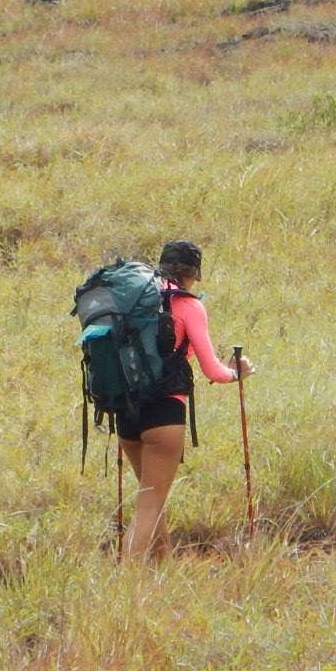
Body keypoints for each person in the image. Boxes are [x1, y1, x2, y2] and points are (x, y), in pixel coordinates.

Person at [117, 240, 253, 562]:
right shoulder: (189, 305)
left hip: (125, 413)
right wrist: (237, 373)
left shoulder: (134, 301)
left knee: (153, 496)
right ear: (193, 274)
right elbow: (214, 371)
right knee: (149, 505)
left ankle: (164, 566)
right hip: (164, 415)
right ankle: (125, 582)